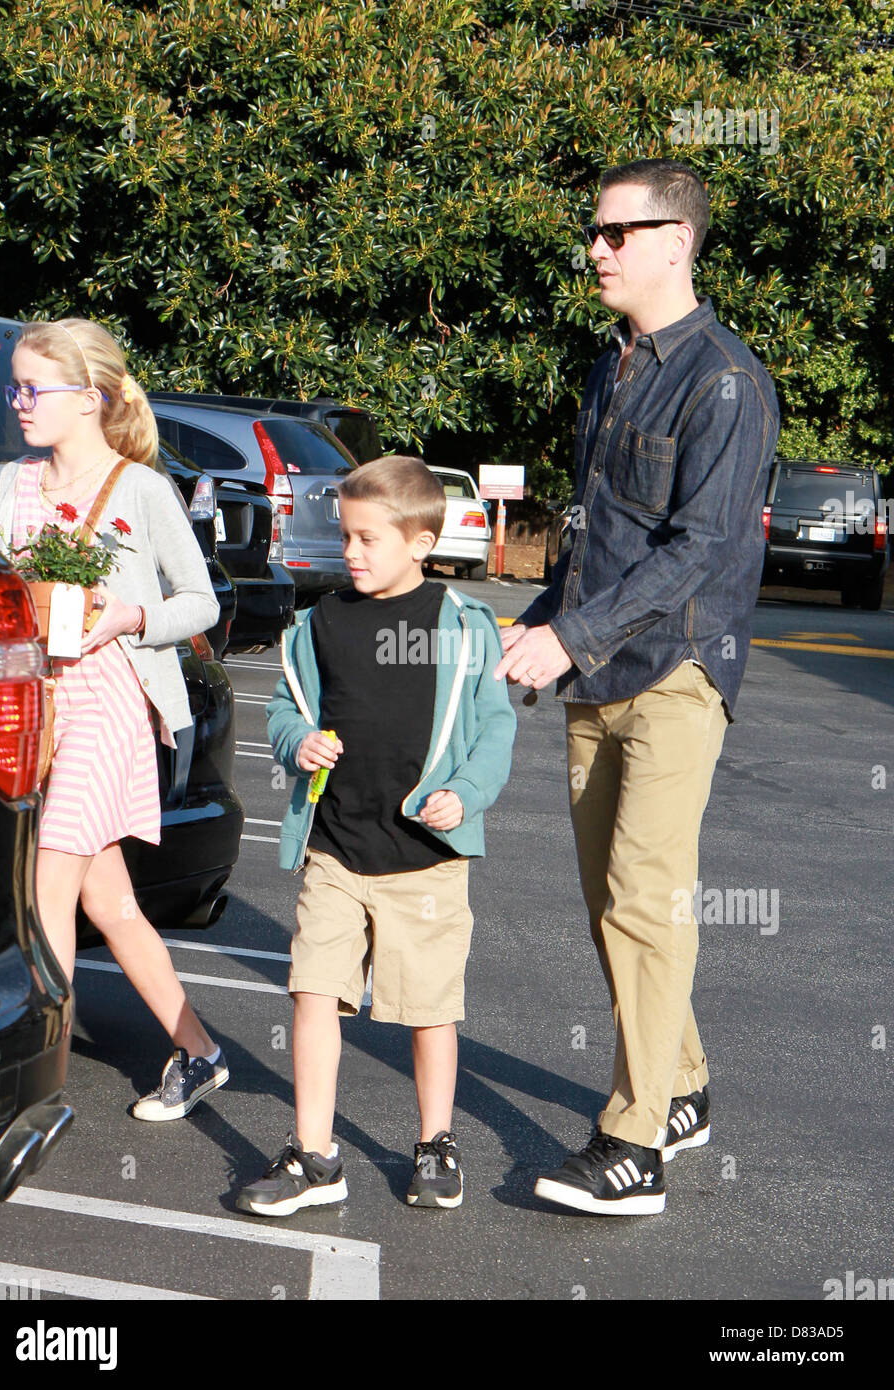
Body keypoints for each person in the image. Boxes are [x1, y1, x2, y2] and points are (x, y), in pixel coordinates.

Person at [495, 159, 780, 1215]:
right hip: (596, 665)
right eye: (596, 230)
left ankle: (632, 1146)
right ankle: (685, 1084)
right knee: (608, 906)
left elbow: (699, 550)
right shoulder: (608, 369)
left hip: (678, 672)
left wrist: (568, 633)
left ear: (678, 241)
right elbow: (599, 534)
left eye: (620, 231)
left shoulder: (724, 382)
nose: (598, 248)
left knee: (645, 901)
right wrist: (535, 628)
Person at [237, 455, 516, 1216]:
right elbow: (282, 710)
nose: (350, 552)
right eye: (346, 537)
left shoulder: (462, 625)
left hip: (424, 860)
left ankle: (434, 1143)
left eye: (368, 539)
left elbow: (494, 725)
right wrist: (296, 740)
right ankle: (315, 1154)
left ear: (421, 541)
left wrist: (466, 792)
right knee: (313, 993)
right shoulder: (321, 622)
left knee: (430, 1008)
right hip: (332, 847)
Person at [0, 317, 230, 1122]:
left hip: (108, 701)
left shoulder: (141, 489)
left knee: (47, 875)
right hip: (31, 707)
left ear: (89, 400)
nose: (19, 402)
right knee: (111, 904)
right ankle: (200, 1050)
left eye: (34, 389)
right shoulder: (14, 486)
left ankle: (37, 1081)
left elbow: (200, 600)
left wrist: (127, 614)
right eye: (15, 386)